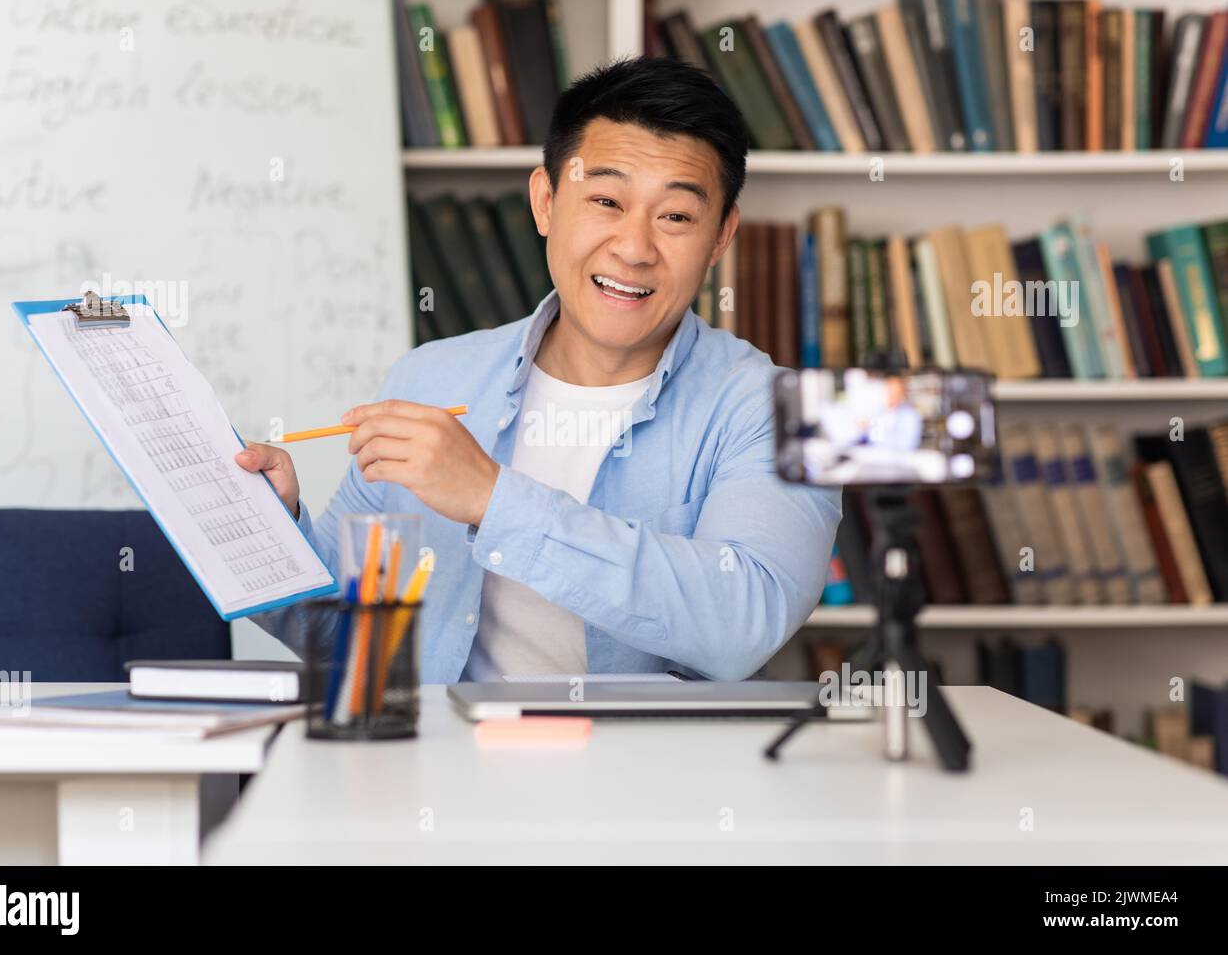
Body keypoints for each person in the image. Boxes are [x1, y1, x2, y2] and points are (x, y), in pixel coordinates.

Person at [239, 56, 841, 682]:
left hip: (649, 774)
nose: (634, 248)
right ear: (546, 202)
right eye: (606, 200)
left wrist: (492, 498)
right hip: (445, 771)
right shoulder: (429, 380)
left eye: (677, 217)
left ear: (720, 237)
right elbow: (347, 633)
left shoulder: (779, 408)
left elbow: (745, 623)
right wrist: (268, 532)